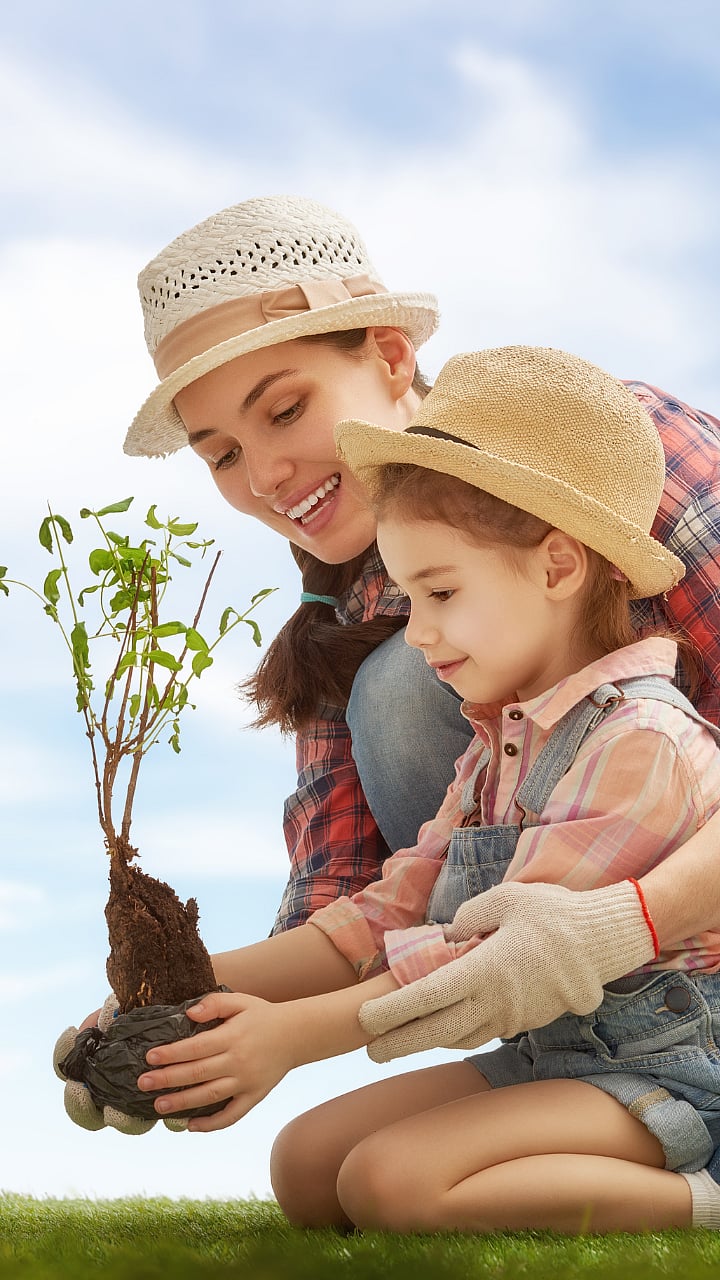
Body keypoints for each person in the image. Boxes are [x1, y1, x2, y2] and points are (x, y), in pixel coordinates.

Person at [115, 195, 720, 1065]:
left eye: (284, 411)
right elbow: (352, 889)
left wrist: (632, 917)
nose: (267, 476)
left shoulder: (602, 456)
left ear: (393, 357)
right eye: (222, 455)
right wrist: (170, 1012)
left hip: (684, 949)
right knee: (394, 683)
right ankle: (570, 1066)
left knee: (403, 685)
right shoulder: (342, 616)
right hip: (575, 990)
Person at [132, 347, 720, 1233]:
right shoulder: (497, 743)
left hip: (671, 1070)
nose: (419, 635)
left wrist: (290, 1039)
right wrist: (176, 999)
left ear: (560, 568)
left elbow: (482, 962)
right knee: (306, 1169)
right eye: (410, 597)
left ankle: (701, 1198)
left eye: (440, 593)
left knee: (391, 1185)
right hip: (552, 1052)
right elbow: (386, 912)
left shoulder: (638, 742)